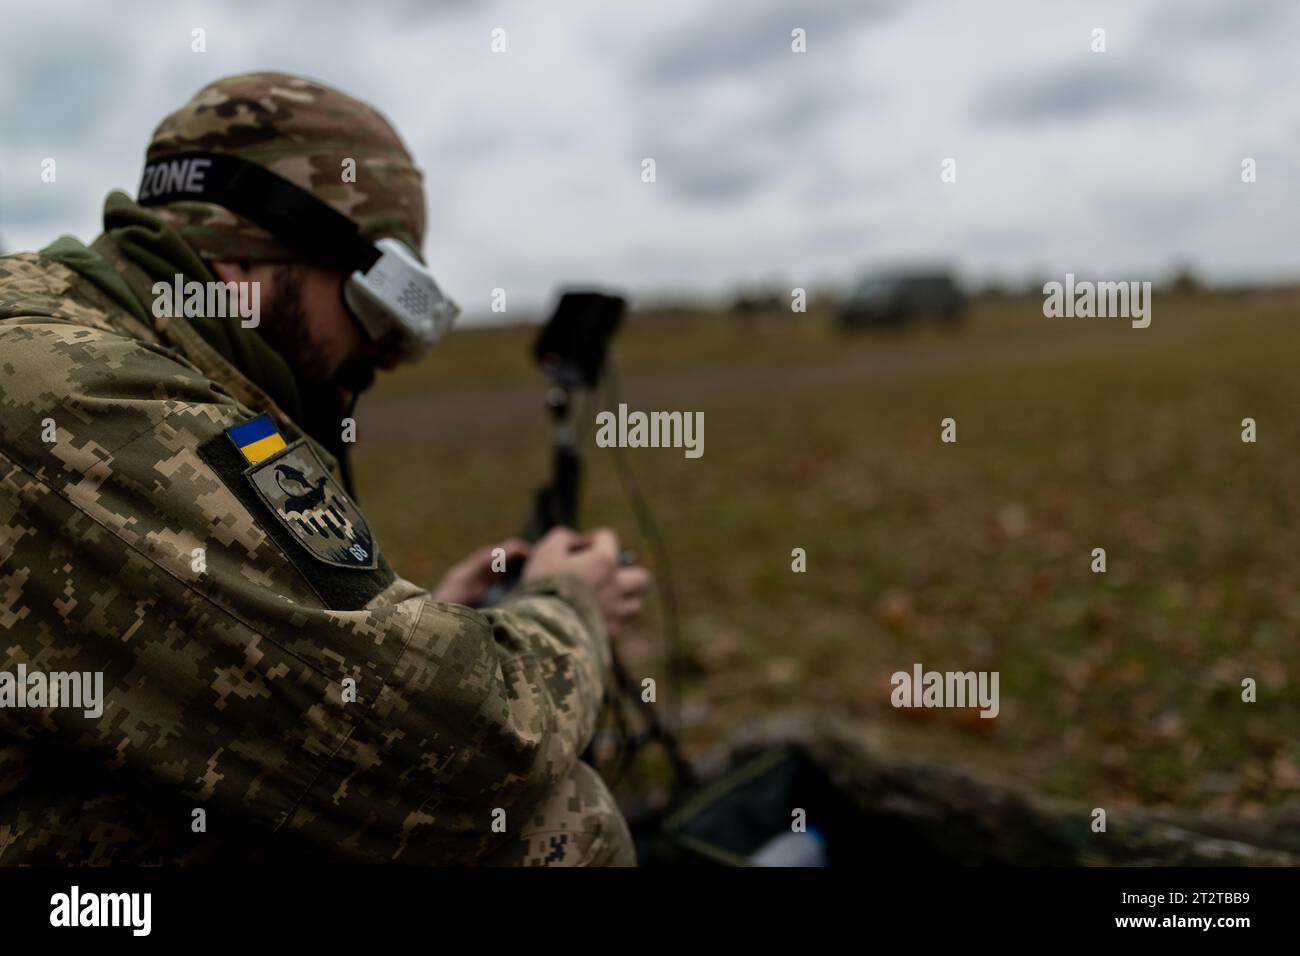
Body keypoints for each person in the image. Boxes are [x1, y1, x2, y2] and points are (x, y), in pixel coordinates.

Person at [0, 72, 650, 865]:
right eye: (378, 307)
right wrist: (568, 602)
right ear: (251, 253)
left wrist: (402, 628)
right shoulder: (85, 393)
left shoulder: (88, 345)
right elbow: (471, 751)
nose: (381, 358)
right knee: (545, 826)